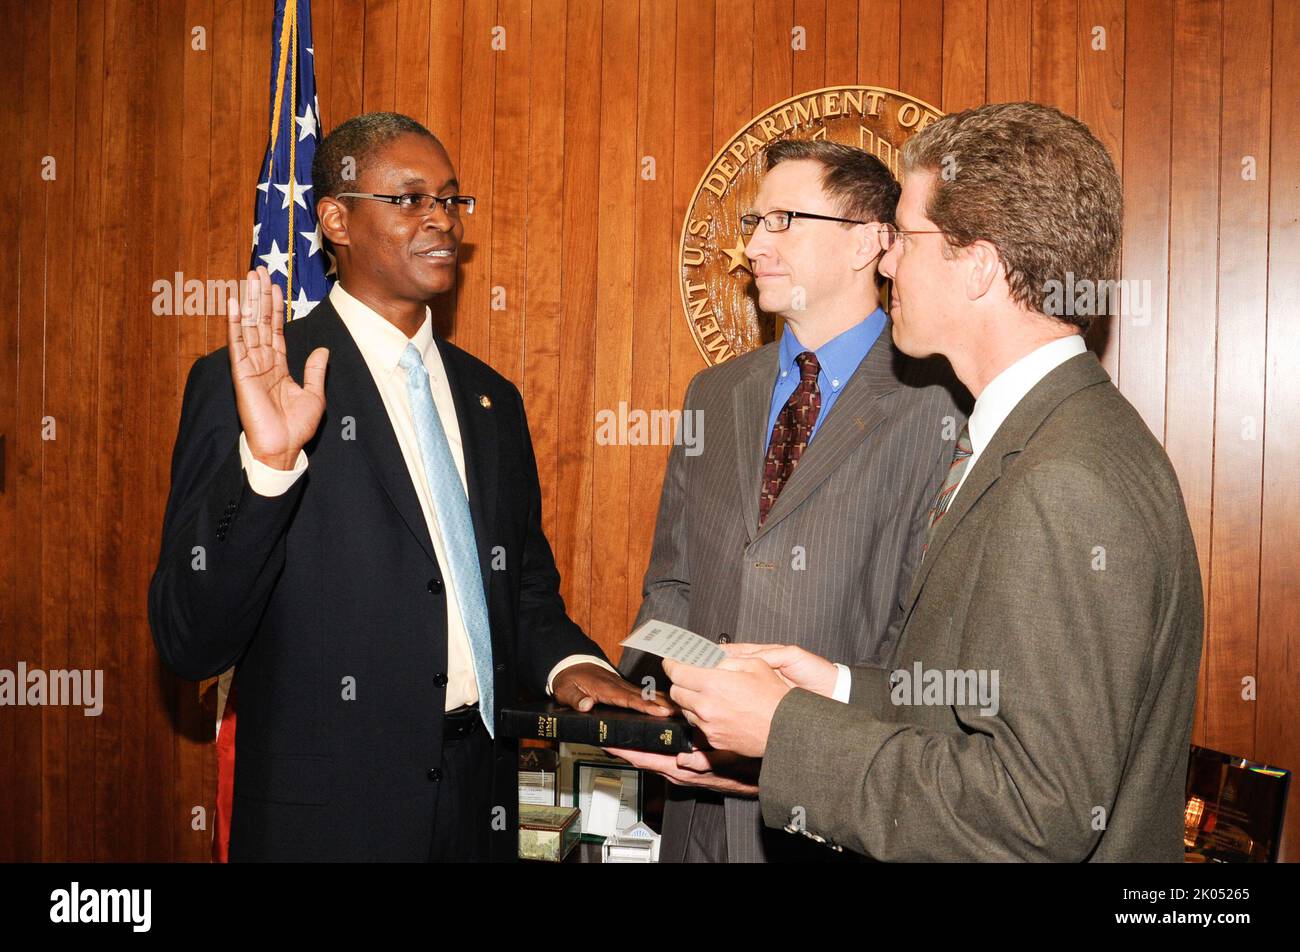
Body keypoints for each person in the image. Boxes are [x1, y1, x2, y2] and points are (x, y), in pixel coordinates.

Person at [659, 101, 1204, 862]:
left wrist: (785, 729)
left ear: (977, 264)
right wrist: (840, 688)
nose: (887, 264)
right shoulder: (1045, 435)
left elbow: (1033, 812)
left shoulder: (1067, 477)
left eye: (907, 239)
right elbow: (980, 709)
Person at [149, 112, 667, 862]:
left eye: (452, 200)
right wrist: (268, 470)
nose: (441, 220)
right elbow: (190, 637)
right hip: (326, 821)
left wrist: (571, 666)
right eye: (410, 199)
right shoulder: (257, 379)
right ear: (336, 219)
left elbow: (520, 588)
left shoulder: (492, 399)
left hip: (480, 803)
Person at [612, 139, 965, 862]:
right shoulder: (714, 394)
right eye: (753, 222)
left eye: (783, 221)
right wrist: (652, 707)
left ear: (870, 240)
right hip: (691, 805)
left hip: (839, 817)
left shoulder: (943, 405)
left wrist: (788, 741)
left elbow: (922, 632)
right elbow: (673, 588)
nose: (752, 247)